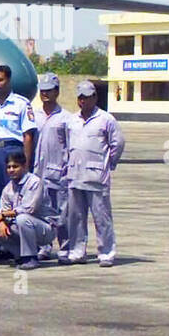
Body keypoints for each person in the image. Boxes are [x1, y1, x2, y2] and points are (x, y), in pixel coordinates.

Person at [64, 80, 125, 267]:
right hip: (75, 175)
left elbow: (118, 144)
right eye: (80, 98)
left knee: (102, 217)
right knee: (75, 217)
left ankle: (106, 253)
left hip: (97, 176)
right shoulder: (72, 120)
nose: (83, 101)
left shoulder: (106, 119)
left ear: (95, 98)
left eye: (87, 97)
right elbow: (68, 145)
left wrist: (109, 163)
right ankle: (77, 251)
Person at [0, 151, 53, 270]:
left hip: (44, 229)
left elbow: (29, 208)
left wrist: (3, 215)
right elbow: (3, 210)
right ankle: (21, 256)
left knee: (22, 218)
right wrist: (1, 223)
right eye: (9, 167)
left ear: (24, 166)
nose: (11, 170)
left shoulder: (35, 182)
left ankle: (31, 258)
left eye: (15, 166)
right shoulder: (8, 188)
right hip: (23, 227)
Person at [0, 63, 37, 199]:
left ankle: (14, 219)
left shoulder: (21, 103)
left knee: (15, 192)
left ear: (9, 80)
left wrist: (26, 164)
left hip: (13, 150)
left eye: (0, 80)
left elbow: (28, 136)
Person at [33, 72, 71, 260]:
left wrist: (67, 168)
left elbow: (71, 146)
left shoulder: (66, 118)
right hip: (37, 172)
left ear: (57, 92)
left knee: (62, 213)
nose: (45, 94)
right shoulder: (34, 116)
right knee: (40, 211)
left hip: (58, 172)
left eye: (49, 91)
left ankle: (65, 248)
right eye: (42, 91)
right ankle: (44, 246)